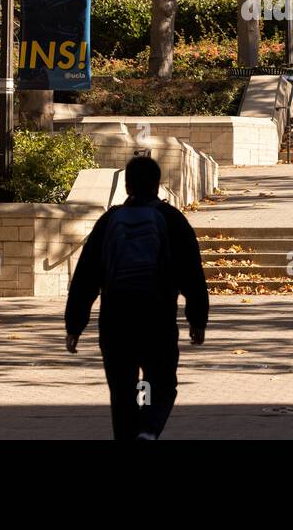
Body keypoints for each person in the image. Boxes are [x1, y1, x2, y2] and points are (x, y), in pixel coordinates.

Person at [64, 155, 208, 440]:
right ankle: (149, 429)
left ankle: (131, 435)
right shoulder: (172, 220)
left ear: (127, 186)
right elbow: (192, 273)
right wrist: (197, 319)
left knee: (122, 393)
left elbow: (86, 276)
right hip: (157, 319)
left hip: (116, 320)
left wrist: (74, 325)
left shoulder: (109, 221)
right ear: (158, 185)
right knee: (160, 383)